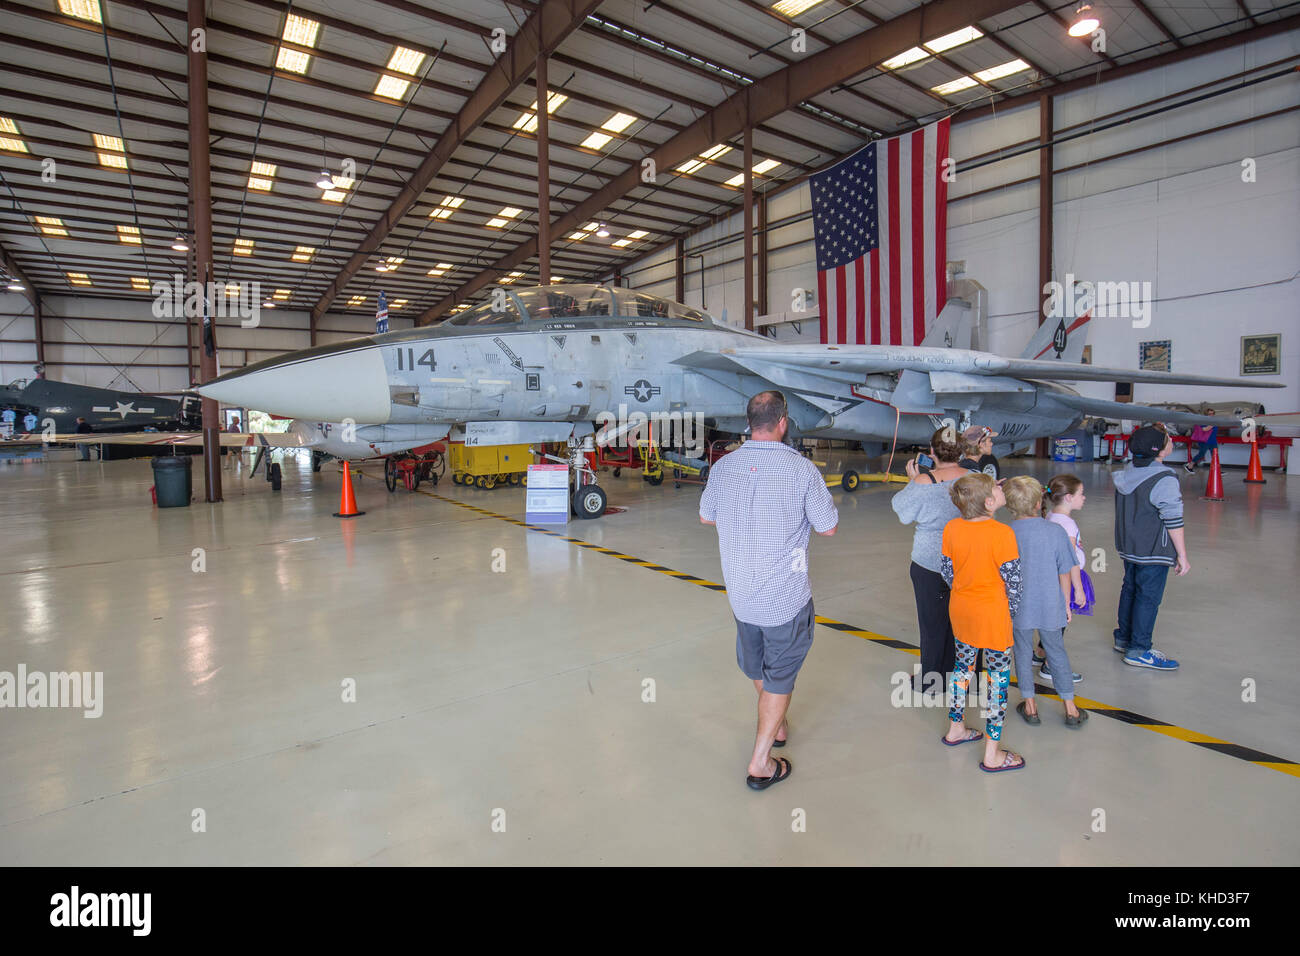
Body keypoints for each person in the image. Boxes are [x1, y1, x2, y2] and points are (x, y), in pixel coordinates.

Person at [700, 390, 839, 792]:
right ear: (783, 423)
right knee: (779, 677)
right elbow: (828, 527)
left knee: (758, 666)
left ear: (749, 422)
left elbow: (707, 517)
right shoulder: (802, 471)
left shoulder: (724, 468)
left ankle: (775, 723)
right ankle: (761, 762)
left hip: (741, 595)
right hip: (784, 600)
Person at [940, 472, 1024, 773]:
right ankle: (992, 753)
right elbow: (1013, 584)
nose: (1001, 489)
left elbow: (947, 572)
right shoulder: (1003, 534)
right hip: (993, 616)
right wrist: (1009, 612)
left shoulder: (951, 527)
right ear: (989, 502)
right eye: (997, 488)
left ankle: (956, 728)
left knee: (962, 669)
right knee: (997, 681)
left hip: (961, 610)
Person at [1003, 476, 1087, 728]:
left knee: (1022, 651)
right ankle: (1070, 709)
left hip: (1018, 605)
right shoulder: (1056, 531)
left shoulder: (1006, 533)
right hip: (1051, 603)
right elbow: (1064, 571)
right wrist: (1065, 604)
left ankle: (1030, 706)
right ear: (1040, 501)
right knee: (1056, 651)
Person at [891, 425, 964, 690]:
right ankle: (960, 674)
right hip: (966, 562)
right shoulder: (977, 478)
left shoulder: (923, 482)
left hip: (929, 562)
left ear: (932, 452)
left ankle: (932, 680)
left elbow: (902, 512)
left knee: (932, 623)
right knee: (961, 622)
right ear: (962, 451)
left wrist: (914, 480)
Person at [1114, 424, 1190, 671]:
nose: (1171, 442)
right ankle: (1139, 649)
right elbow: (1173, 519)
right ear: (1159, 450)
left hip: (1130, 546)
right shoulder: (1163, 478)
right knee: (1148, 597)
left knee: (1130, 589)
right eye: (1167, 439)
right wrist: (1182, 555)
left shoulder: (1128, 471)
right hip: (1154, 549)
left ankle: (1124, 638)